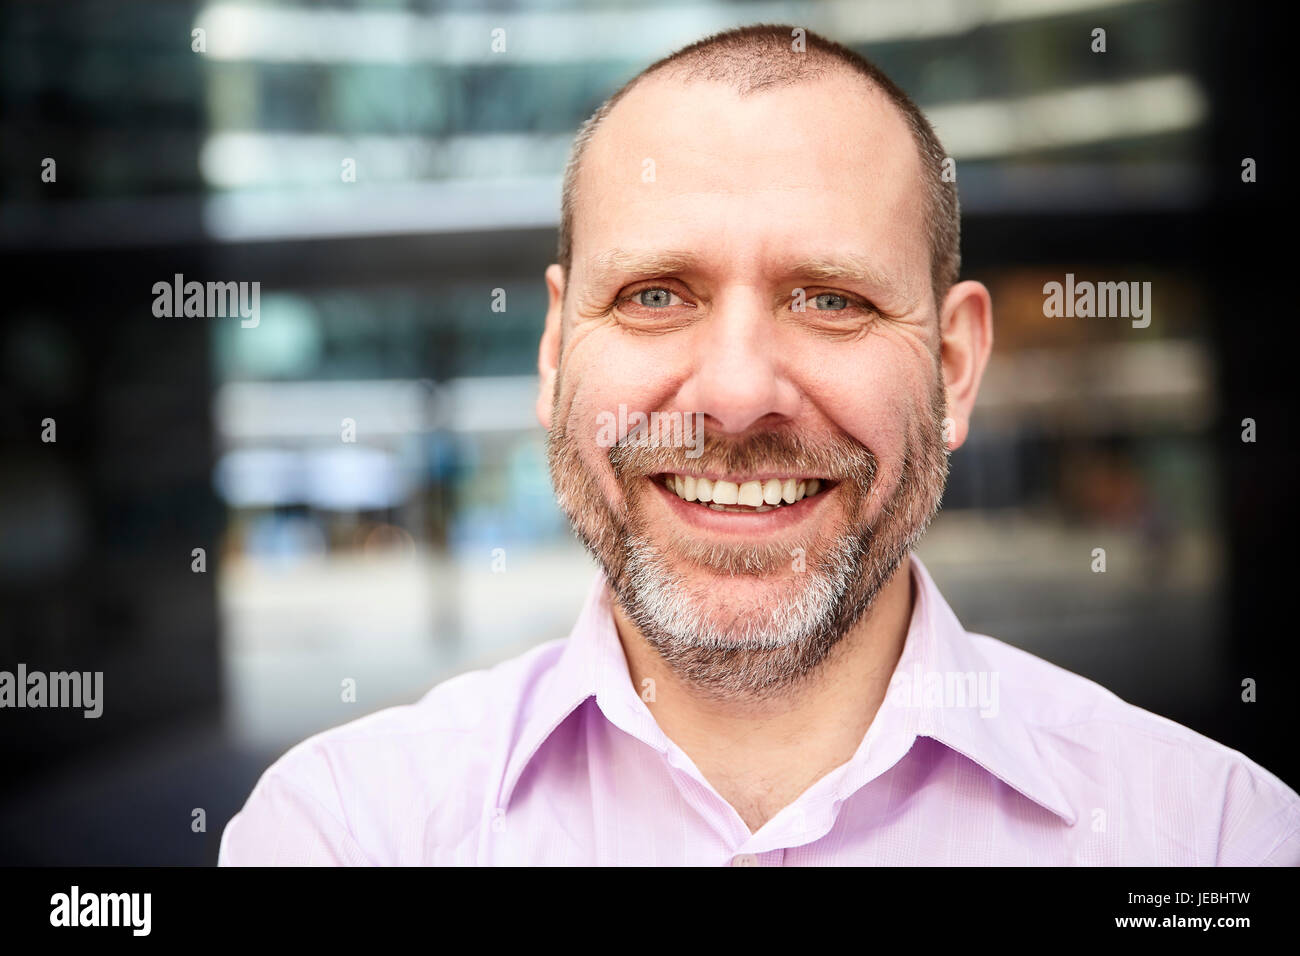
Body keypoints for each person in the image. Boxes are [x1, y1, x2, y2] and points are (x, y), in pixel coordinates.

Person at [219, 24, 1300, 866]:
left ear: (955, 366)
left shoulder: (1211, 837)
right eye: (653, 294)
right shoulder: (345, 833)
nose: (735, 395)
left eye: (829, 298)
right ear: (555, 353)